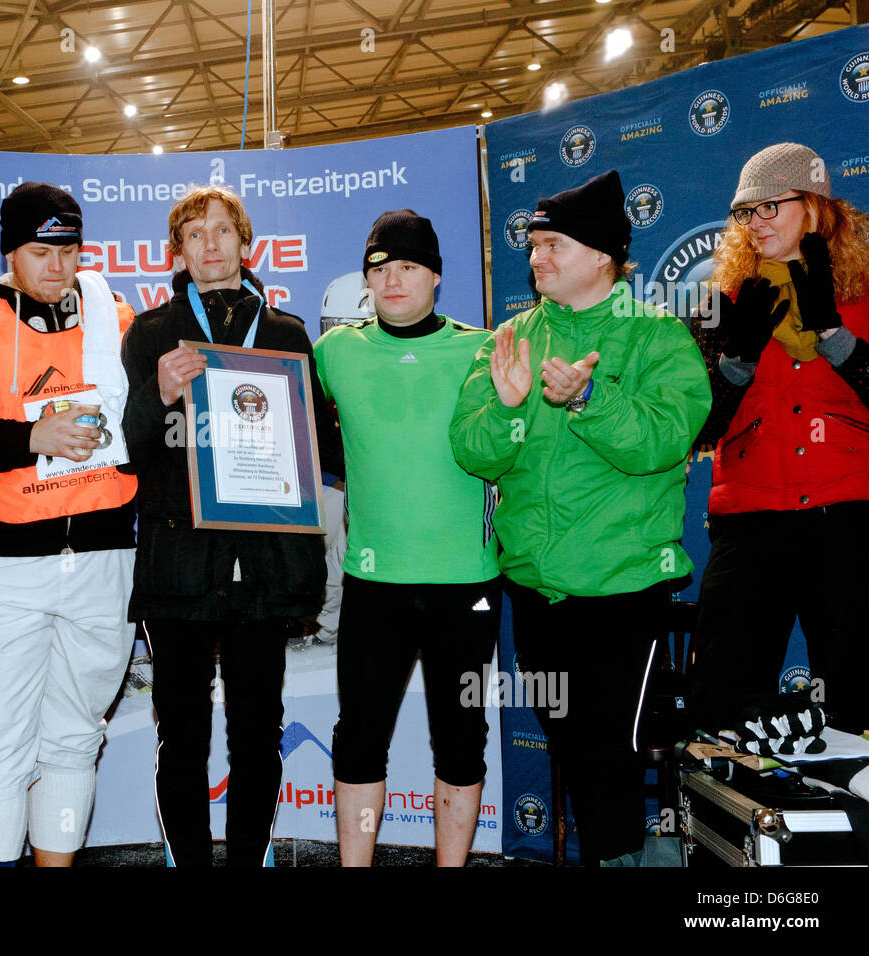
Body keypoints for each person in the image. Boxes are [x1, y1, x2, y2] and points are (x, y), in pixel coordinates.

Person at [449, 170, 711, 867]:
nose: (535, 257)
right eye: (533, 245)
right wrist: (506, 408)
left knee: (610, 763)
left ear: (602, 255)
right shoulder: (509, 339)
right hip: (537, 596)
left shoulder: (657, 338)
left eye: (552, 244)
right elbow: (471, 451)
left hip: (622, 595)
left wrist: (589, 399)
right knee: (575, 752)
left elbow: (664, 441)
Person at [120, 184, 343, 866]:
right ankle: (189, 860)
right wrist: (157, 395)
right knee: (181, 735)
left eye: (222, 232)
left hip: (262, 571)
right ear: (178, 252)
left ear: (246, 247)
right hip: (180, 568)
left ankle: (247, 858)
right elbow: (130, 450)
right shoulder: (151, 333)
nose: (210, 245)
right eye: (195, 234)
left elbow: (322, 453)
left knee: (257, 731)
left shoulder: (285, 336)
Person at [0, 182, 138, 866]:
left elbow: (150, 431)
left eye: (69, 251)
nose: (57, 267)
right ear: (10, 251)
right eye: (40, 252)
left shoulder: (117, 318)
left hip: (102, 556)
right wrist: (30, 438)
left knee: (75, 737)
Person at [315, 210, 500, 866]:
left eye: (408, 267)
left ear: (436, 277)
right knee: (360, 738)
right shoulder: (335, 352)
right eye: (380, 267)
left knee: (461, 738)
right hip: (374, 584)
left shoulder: (484, 348)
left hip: (468, 584)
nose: (392, 279)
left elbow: (513, 446)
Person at [689, 143, 869, 737]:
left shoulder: (864, 293)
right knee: (721, 699)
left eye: (771, 205)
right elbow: (696, 431)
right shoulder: (718, 305)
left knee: (859, 698)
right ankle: (736, 824)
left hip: (847, 515)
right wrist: (735, 363)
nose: (756, 221)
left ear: (815, 205)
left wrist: (836, 337)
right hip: (751, 516)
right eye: (745, 212)